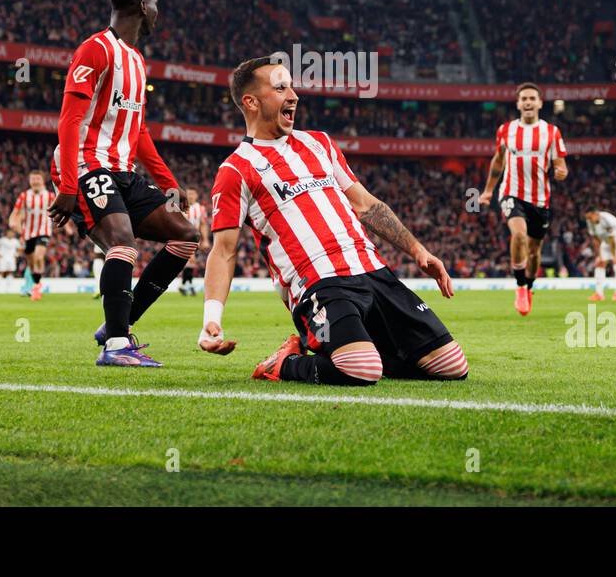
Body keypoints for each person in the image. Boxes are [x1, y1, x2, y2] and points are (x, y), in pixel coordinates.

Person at [199, 56, 468, 386]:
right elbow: (223, 251)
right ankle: (283, 363)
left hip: (371, 270)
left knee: (452, 367)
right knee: (360, 371)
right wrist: (212, 319)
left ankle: (361, 347)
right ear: (251, 102)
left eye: (292, 86)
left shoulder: (319, 142)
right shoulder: (235, 169)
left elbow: (366, 205)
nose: (293, 95)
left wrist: (418, 251)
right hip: (319, 284)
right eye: (280, 87)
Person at [47, 0, 199, 367]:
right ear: (139, 6)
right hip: (85, 164)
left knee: (185, 235)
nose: (157, 11)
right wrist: (67, 183)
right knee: (123, 242)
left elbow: (140, 131)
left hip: (122, 170)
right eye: (155, 3)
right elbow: (68, 121)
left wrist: (169, 184)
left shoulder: (136, 60)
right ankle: (116, 347)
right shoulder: (95, 50)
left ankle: (120, 322)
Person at [478, 83, 568, 316]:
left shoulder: (552, 132)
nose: (528, 102)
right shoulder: (505, 130)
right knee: (518, 235)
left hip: (539, 199)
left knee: (535, 252)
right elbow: (498, 161)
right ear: (518, 104)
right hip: (511, 192)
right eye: (524, 99)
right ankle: (519, 286)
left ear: (539, 103)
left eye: (532, 98)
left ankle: (528, 287)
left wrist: (561, 172)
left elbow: (561, 165)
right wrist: (488, 191)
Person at [9, 171, 54, 299]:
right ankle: (36, 284)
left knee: (39, 256)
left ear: (42, 181)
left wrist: (66, 225)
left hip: (43, 231)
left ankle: (35, 286)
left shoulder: (50, 196)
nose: (35, 181)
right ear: (29, 181)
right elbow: (15, 213)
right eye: (32, 179)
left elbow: (59, 209)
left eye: (37, 179)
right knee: (31, 261)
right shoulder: (23, 196)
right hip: (27, 233)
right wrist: (12, 222)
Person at [584, 209, 616, 302]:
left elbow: (612, 239)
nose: (589, 220)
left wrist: (614, 256)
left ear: (596, 214)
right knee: (600, 263)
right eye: (587, 218)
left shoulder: (607, 219)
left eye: (590, 217)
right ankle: (599, 294)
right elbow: (595, 240)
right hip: (606, 241)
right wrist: (599, 256)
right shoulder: (589, 221)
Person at [180, 187, 209, 296]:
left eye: (193, 194)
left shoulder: (200, 209)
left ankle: (186, 284)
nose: (191, 196)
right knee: (192, 261)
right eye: (189, 194)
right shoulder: (180, 207)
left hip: (195, 239)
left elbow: (203, 224)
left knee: (190, 263)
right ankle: (187, 285)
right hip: (183, 238)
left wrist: (205, 239)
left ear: (196, 195)